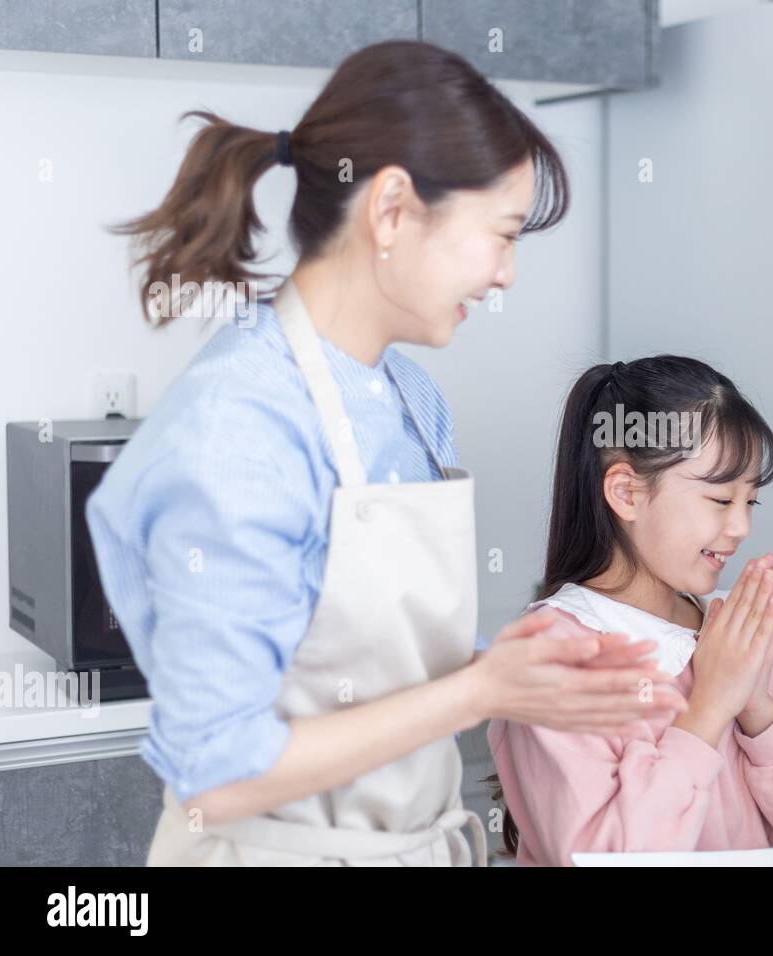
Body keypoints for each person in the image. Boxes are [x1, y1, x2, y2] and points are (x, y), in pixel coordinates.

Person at [87, 40, 685, 866]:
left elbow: (353, 667)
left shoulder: (410, 396)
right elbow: (214, 776)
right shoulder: (239, 427)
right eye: (501, 234)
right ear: (393, 208)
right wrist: (480, 692)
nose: (507, 275)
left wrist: (510, 671)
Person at [488, 356, 773, 864]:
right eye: (719, 500)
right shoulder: (555, 656)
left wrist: (758, 711)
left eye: (750, 502)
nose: (741, 528)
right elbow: (611, 858)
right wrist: (709, 705)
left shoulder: (728, 627)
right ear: (627, 493)